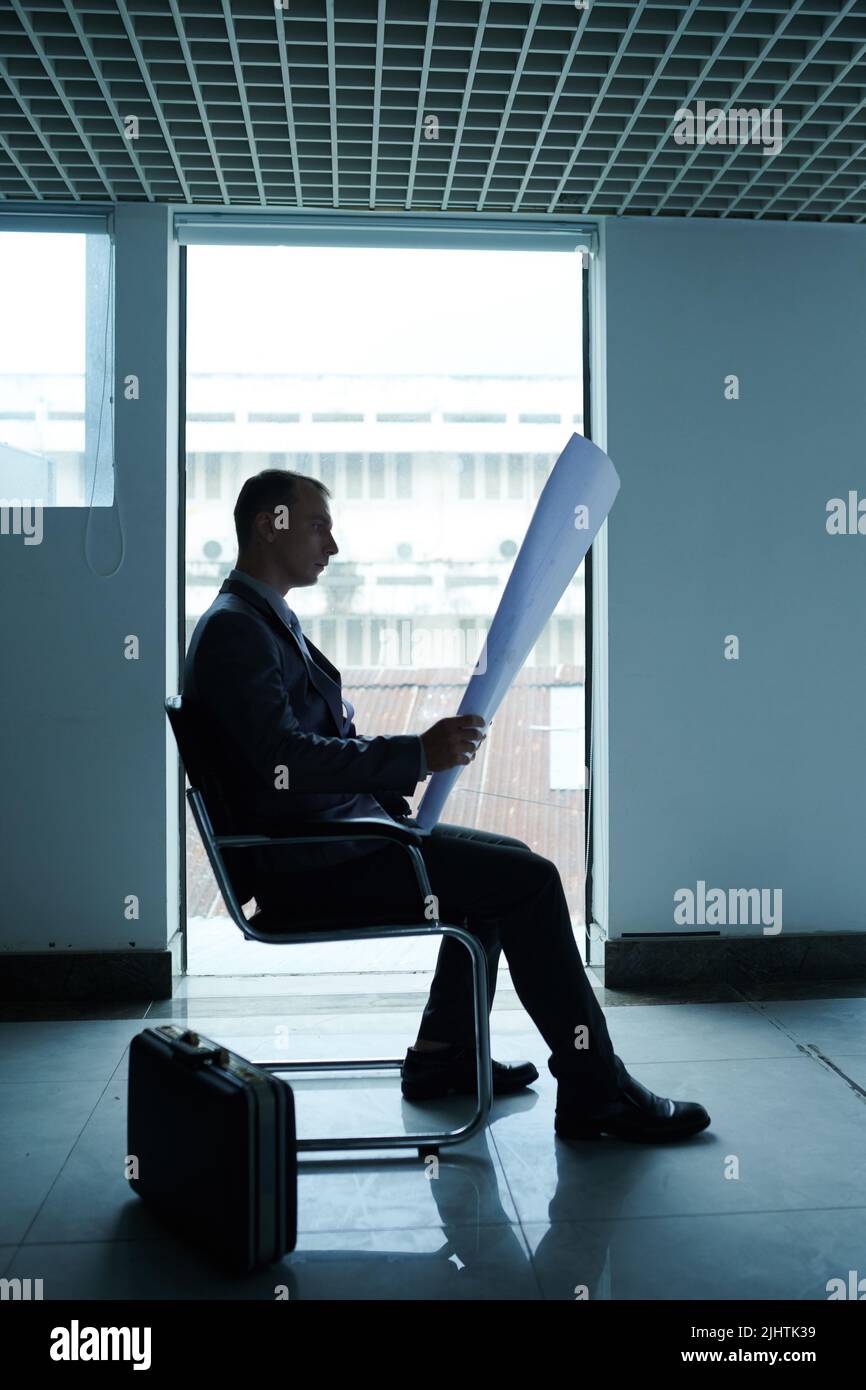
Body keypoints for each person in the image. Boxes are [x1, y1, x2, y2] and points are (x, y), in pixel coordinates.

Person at [183, 469, 711, 1143]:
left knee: (509, 865)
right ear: (269, 524)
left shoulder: (253, 621)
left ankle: (444, 1056)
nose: (332, 545)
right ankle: (595, 1089)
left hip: (330, 843)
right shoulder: (237, 631)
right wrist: (414, 755)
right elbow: (284, 760)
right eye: (318, 524)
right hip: (308, 865)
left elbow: (292, 753)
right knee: (530, 881)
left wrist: (392, 786)